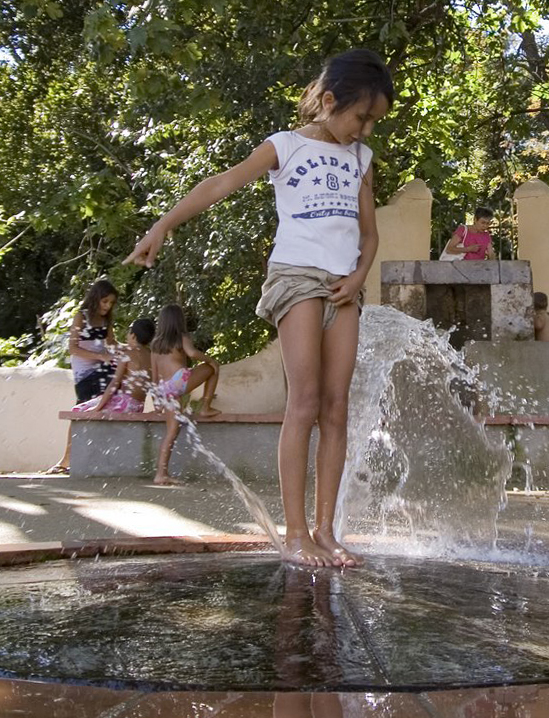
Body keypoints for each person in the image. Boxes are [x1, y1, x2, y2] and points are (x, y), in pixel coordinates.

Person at [123, 48, 393, 568]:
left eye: (374, 123)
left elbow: (369, 232)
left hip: (344, 286)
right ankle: (296, 533)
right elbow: (219, 184)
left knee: (338, 407)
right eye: (361, 117)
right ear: (331, 100)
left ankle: (326, 531)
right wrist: (162, 225)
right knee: (306, 401)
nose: (364, 130)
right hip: (295, 278)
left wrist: (359, 276)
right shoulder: (285, 146)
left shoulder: (362, 159)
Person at [46, 279, 120, 474]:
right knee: (81, 411)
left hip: (103, 369)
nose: (107, 306)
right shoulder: (82, 317)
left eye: (111, 303)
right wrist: (99, 356)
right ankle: (67, 459)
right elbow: (72, 348)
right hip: (85, 373)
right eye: (105, 302)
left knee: (104, 407)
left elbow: (111, 342)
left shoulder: (106, 321)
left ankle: (93, 457)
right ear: (96, 299)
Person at [150, 304, 221, 485]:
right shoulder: (182, 337)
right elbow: (192, 353)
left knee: (172, 431)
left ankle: (161, 473)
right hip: (179, 381)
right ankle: (205, 407)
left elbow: (154, 376)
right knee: (212, 368)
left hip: (164, 389)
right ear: (179, 321)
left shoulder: (156, 345)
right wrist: (209, 359)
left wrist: (156, 401)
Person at [72, 317, 155, 414]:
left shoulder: (127, 354)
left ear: (133, 336)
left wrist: (97, 408)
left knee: (79, 410)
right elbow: (155, 385)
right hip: (139, 406)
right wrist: (158, 410)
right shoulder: (151, 356)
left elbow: (114, 383)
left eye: (128, 332)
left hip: (123, 403)